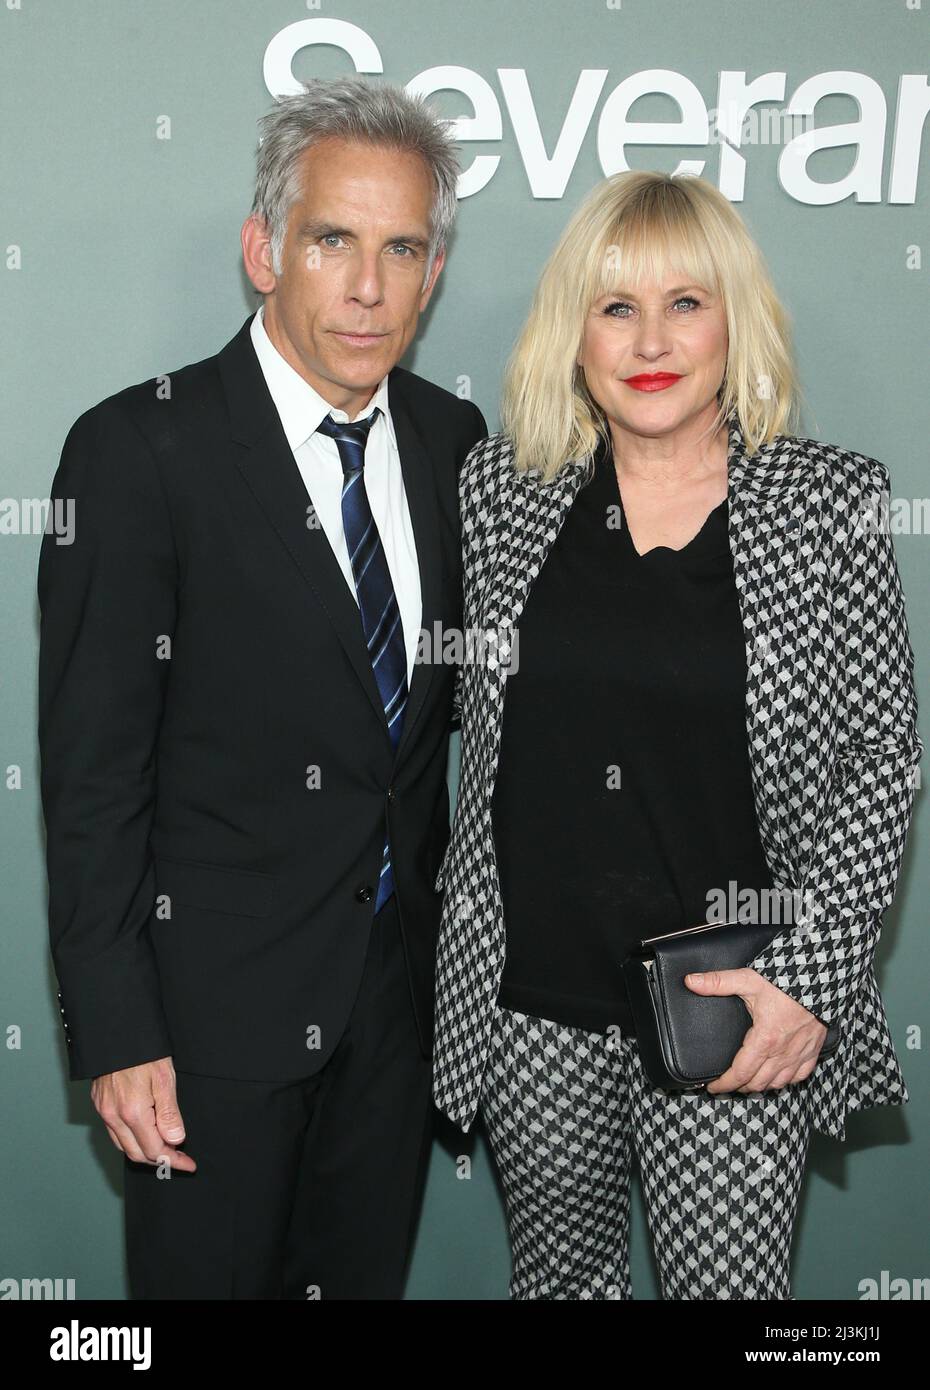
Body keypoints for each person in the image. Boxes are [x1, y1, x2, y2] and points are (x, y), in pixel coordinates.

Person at [431, 170, 922, 1300]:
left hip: (734, 1011)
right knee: (561, 1289)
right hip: (532, 1008)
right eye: (616, 306)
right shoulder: (505, 488)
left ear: (734, 319)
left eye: (685, 302)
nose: (651, 339)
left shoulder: (829, 502)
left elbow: (880, 762)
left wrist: (807, 980)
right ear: (576, 333)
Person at [37, 75, 487, 1300]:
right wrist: (119, 1032)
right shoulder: (138, 450)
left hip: (396, 1016)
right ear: (263, 249)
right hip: (207, 1032)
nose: (368, 285)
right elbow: (91, 778)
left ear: (433, 271)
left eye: (403, 249)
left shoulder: (459, 446)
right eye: (334, 239)